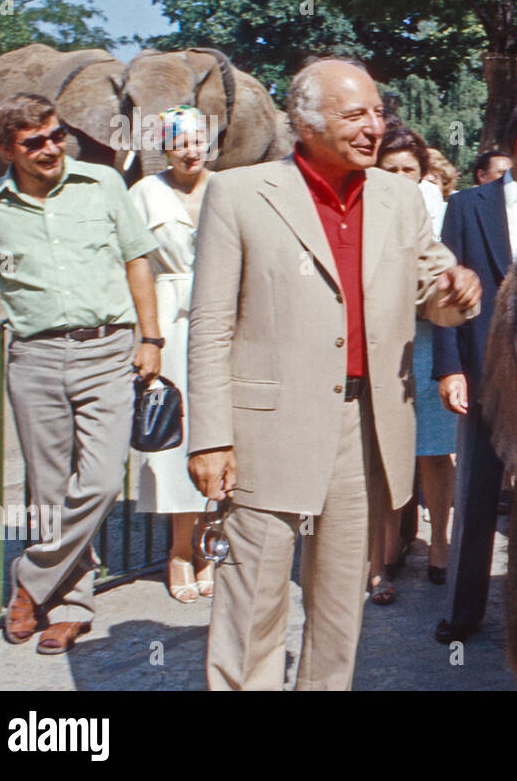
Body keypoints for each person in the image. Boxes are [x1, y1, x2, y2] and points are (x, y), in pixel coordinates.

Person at [186, 59, 480, 691]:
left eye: (378, 112)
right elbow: (208, 325)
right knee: (253, 603)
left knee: (340, 607)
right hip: (263, 431)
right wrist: (210, 436)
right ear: (305, 121)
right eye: (355, 115)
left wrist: (457, 291)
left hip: (363, 427)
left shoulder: (401, 199)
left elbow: (434, 291)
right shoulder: (239, 194)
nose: (374, 127)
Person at [0, 93, 162, 655]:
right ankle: (69, 604)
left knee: (97, 481)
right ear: (6, 150)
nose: (50, 149)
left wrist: (151, 338)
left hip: (108, 350)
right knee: (49, 490)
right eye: (34, 143)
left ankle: (32, 577)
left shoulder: (103, 185)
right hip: (35, 359)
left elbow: (136, 259)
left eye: (56, 136)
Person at [432, 101, 517, 644]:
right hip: (485, 369)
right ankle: (463, 612)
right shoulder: (467, 207)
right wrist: (450, 369)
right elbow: (445, 290)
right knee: (476, 494)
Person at [129, 105, 215, 603]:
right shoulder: (144, 193)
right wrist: (148, 336)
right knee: (173, 436)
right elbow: (132, 262)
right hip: (167, 318)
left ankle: (208, 543)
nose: (190, 149)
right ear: (165, 147)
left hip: (217, 316)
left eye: (198, 140)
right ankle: (180, 551)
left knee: (215, 431)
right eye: (179, 141)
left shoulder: (225, 189)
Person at [371, 125, 457, 602]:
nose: (400, 178)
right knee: (381, 453)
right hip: (380, 344)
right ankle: (382, 552)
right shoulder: (363, 210)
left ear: (424, 173)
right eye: (391, 169)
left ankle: (440, 540)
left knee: (432, 450)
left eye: (409, 169)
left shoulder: (441, 214)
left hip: (427, 344)